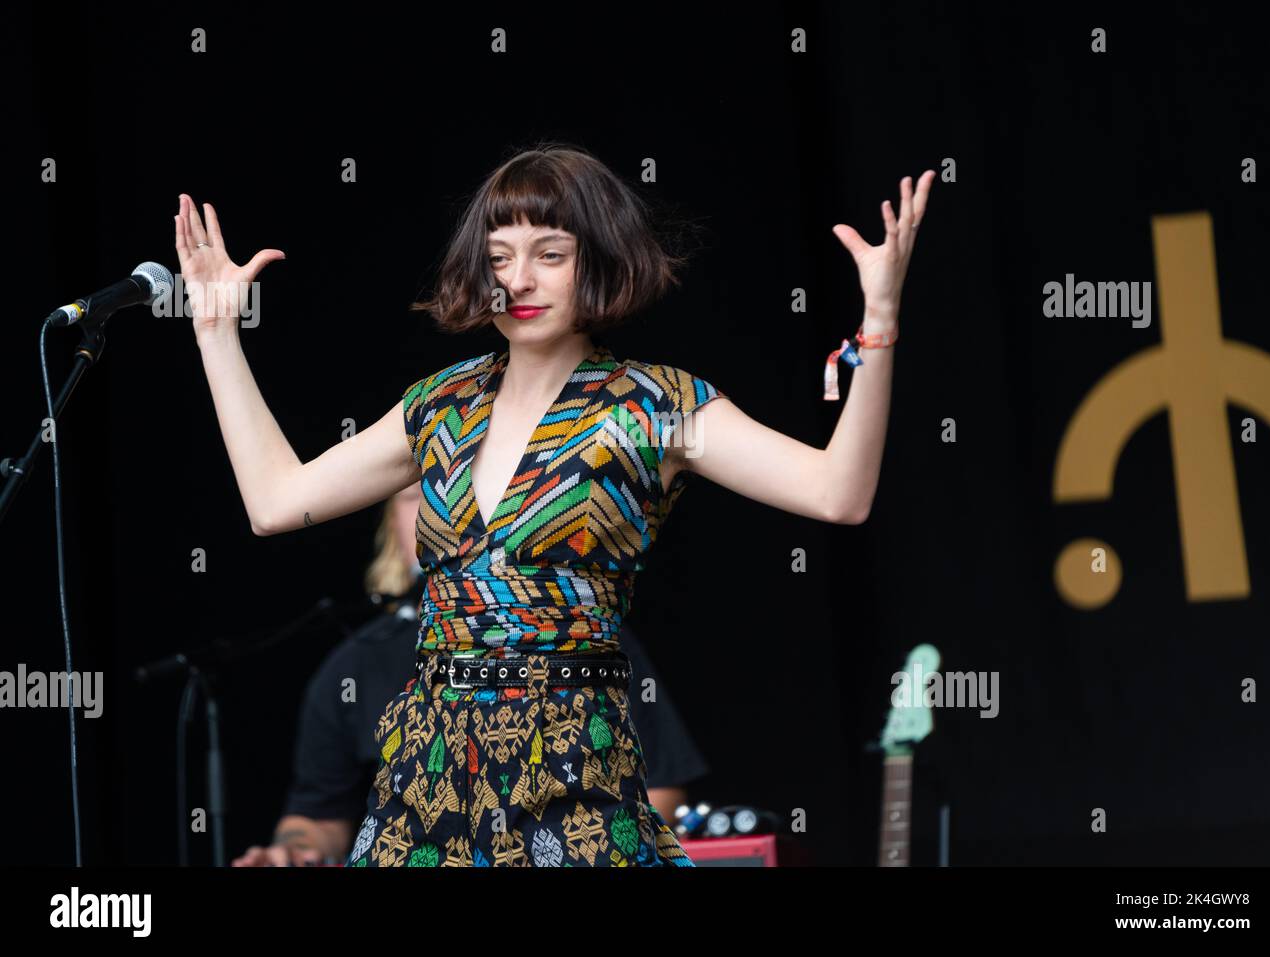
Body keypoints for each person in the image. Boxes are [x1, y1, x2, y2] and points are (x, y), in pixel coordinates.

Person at [176, 142, 932, 866]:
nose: (518, 279)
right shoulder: (441, 404)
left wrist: (882, 323)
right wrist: (216, 334)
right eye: (499, 257)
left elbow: (840, 493)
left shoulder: (653, 407)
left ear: (597, 261)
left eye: (549, 253)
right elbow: (275, 502)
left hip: (572, 769)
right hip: (429, 773)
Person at [233, 483, 709, 866]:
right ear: (390, 528)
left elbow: (659, 788)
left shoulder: (580, 634)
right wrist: (295, 850)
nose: (437, 518)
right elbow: (319, 815)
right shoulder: (350, 668)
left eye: (459, 501)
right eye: (415, 498)